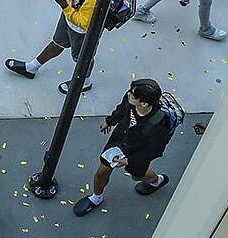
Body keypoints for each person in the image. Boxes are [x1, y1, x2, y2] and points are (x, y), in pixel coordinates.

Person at [4, 0, 106, 93]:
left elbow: (84, 23)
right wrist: (66, 6)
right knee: (57, 43)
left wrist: (63, 5)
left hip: (81, 32)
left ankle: (85, 82)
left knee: (83, 58)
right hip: (68, 17)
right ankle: (31, 68)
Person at [73, 79, 173, 217]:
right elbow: (121, 109)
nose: (128, 95)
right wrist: (110, 121)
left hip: (137, 151)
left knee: (137, 176)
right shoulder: (130, 100)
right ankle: (96, 198)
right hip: (120, 140)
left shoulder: (158, 125)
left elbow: (154, 150)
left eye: (132, 95)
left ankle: (156, 181)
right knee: (103, 170)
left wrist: (130, 161)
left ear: (144, 103)